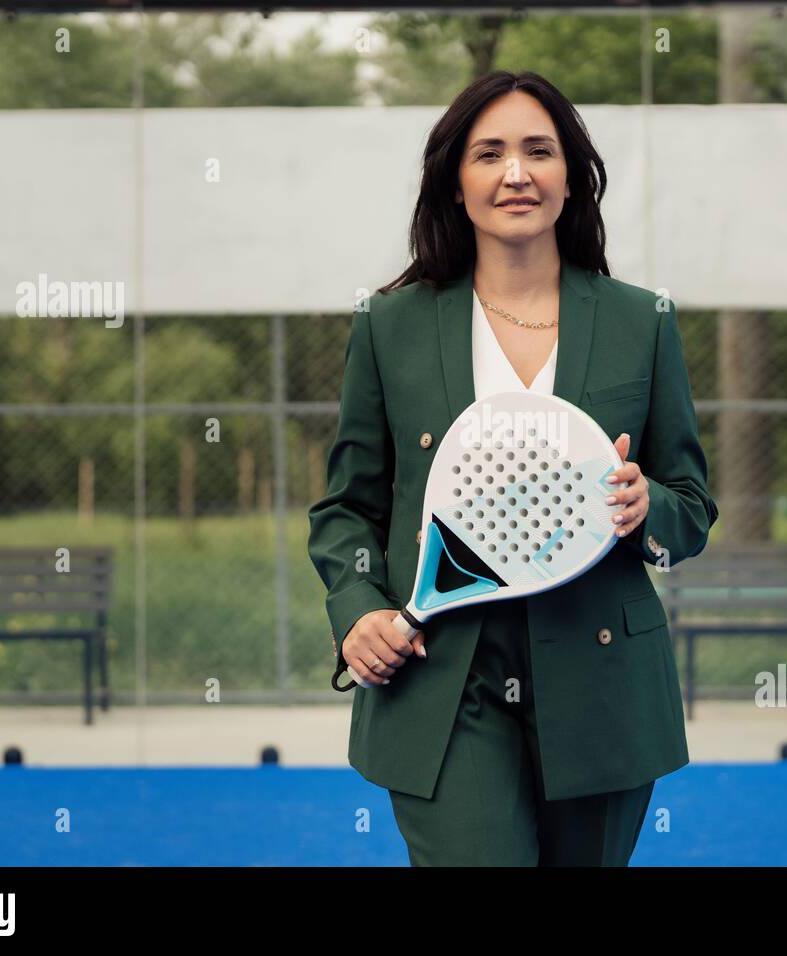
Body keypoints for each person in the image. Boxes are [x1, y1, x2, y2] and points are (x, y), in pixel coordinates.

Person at [307, 70, 717, 866]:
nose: (516, 172)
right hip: (443, 682)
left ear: (573, 178)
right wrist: (357, 610)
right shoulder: (390, 326)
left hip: (602, 685)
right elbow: (345, 510)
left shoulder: (642, 322)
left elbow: (690, 510)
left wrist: (645, 510)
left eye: (539, 150)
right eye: (489, 153)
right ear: (455, 184)